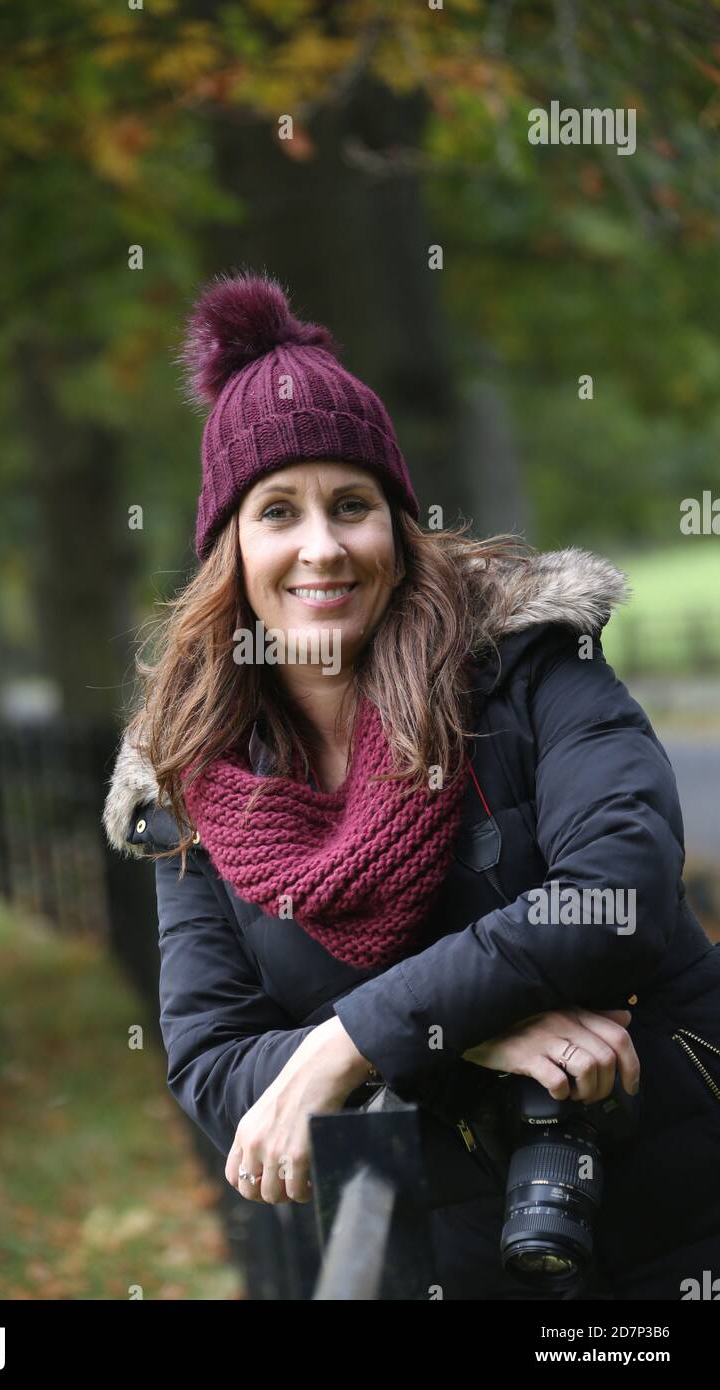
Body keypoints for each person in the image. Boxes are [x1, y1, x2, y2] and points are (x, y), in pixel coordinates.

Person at [103, 269, 720, 1300]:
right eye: (277, 512)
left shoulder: (525, 666)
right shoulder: (187, 788)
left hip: (684, 1210)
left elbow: (619, 887)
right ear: (228, 550)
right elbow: (215, 1066)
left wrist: (353, 1037)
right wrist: (464, 1035)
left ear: (397, 526)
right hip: (444, 1266)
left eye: (352, 505)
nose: (321, 546)